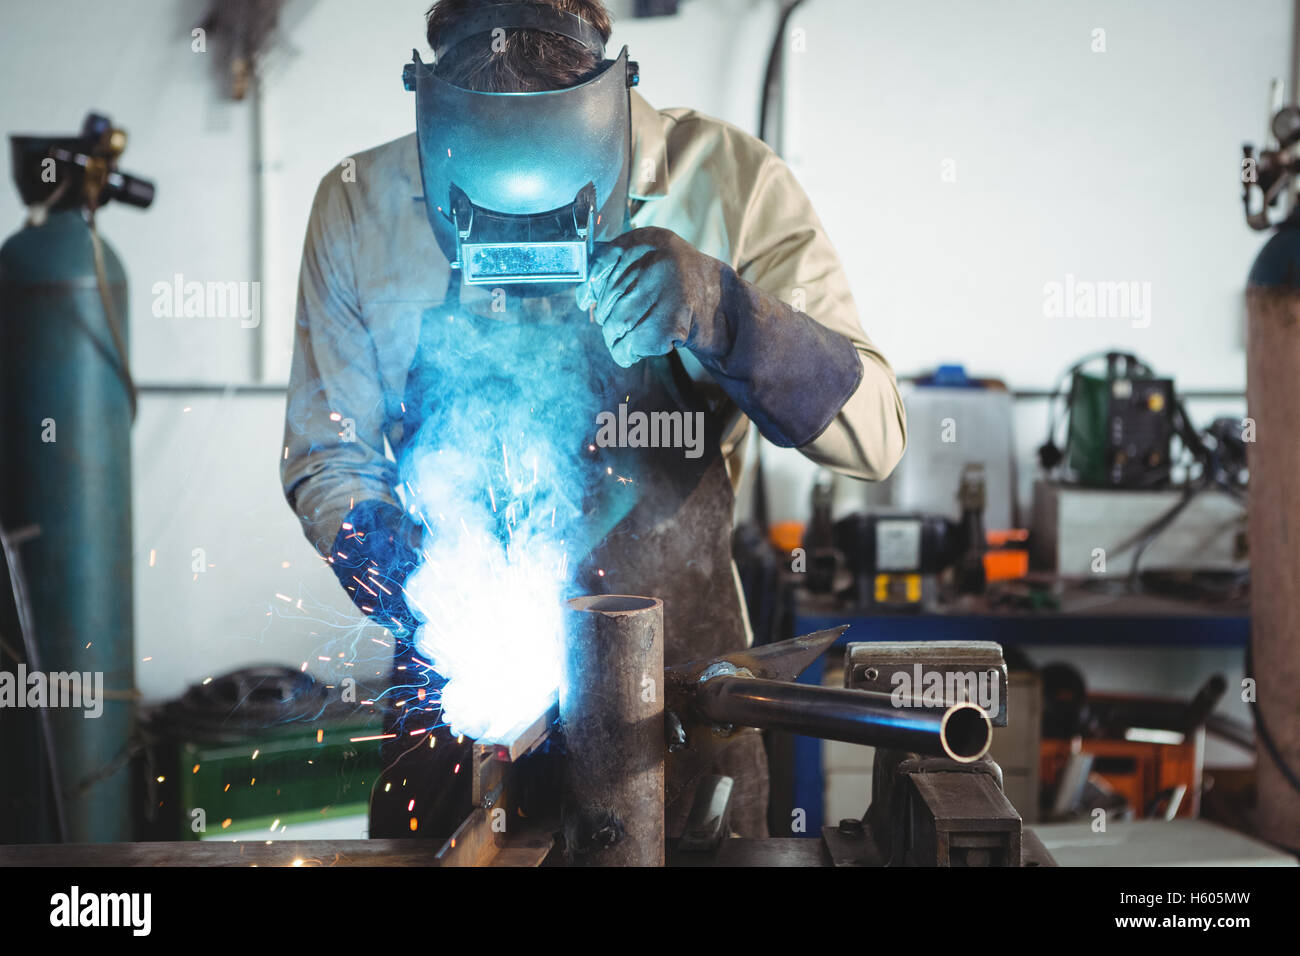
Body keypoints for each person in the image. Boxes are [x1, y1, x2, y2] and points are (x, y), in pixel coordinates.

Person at [281, 0, 907, 843]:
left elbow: (872, 437)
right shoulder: (361, 207)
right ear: (430, 102)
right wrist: (426, 588)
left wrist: (724, 313)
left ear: (612, 94)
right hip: (465, 710)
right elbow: (328, 455)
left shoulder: (728, 181)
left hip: (680, 711)